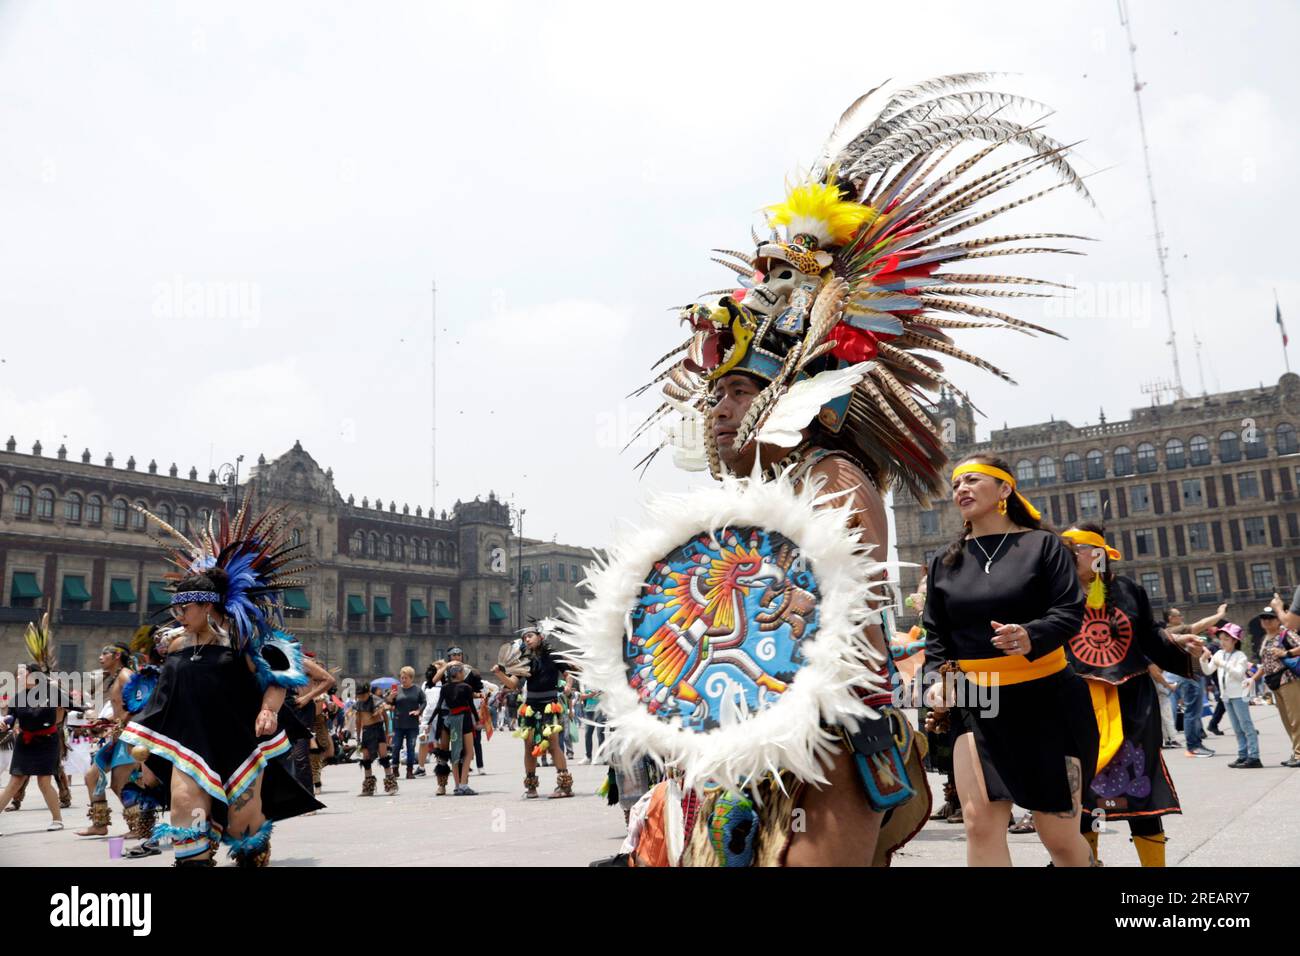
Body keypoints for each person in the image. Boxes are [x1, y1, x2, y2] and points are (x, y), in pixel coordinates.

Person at [119, 498, 323, 866]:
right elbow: (162, 702)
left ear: (209, 606)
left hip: (242, 743)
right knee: (184, 809)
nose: (178, 615)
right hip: (190, 744)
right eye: (176, 608)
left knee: (244, 825)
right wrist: (147, 751)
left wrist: (268, 710)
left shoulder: (245, 640)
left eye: (186, 608)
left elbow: (278, 676)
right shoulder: (176, 647)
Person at [922, 455, 1095, 867]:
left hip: (1047, 700)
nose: (960, 488)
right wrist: (935, 679)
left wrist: (1029, 634)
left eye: (972, 480)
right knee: (979, 824)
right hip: (976, 703)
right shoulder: (945, 562)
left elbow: (1069, 612)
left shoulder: (1043, 546)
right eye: (956, 483)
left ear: (1004, 490)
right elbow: (936, 636)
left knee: (1058, 836)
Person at [1059, 523, 1201, 867]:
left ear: (1097, 554)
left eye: (1073, 548)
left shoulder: (1128, 591)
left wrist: (1180, 644)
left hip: (1133, 703)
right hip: (1078, 703)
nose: (1065, 555)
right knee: (1083, 797)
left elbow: (1150, 636)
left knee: (1143, 790)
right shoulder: (1054, 595)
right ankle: (1088, 864)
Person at [492, 624, 575, 798]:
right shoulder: (524, 659)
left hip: (549, 704)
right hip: (530, 706)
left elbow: (567, 674)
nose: (527, 639)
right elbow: (513, 684)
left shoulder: (553, 655)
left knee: (553, 745)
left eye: (530, 636)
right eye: (524, 638)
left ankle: (565, 786)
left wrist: (568, 686)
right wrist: (499, 674)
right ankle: (531, 786)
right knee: (529, 745)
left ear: (540, 637)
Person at [0, 619, 67, 836]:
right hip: (25, 742)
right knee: (14, 782)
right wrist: (3, 722)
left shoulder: (50, 693)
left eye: (21, 673)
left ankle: (57, 819)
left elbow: (61, 714)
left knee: (44, 782)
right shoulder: (17, 697)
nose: (18, 675)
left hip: (47, 742)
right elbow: (10, 718)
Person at [1164, 605, 1226, 757]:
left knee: (1194, 712)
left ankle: (1196, 744)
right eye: (1178, 615)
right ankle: (1193, 746)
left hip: (1190, 675)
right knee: (1192, 712)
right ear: (1171, 619)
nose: (1181, 618)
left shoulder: (1171, 633)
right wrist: (1219, 614)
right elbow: (1202, 624)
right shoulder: (1175, 631)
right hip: (1188, 676)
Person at [1200, 623, 1260, 768]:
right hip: (1226, 696)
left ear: (1235, 640)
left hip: (1239, 695)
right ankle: (1242, 755)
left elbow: (1239, 674)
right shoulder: (1219, 654)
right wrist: (1203, 659)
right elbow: (1208, 671)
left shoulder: (1240, 656)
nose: (1222, 642)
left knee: (1246, 726)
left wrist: (1222, 664)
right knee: (1236, 727)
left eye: (1226, 638)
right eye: (1221, 638)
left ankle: (1254, 757)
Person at [1258, 597, 1300, 766]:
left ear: (1277, 619)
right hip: (1274, 682)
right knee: (1285, 719)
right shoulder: (1266, 638)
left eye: (1270, 618)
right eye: (1264, 619)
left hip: (1288, 679)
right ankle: (1296, 751)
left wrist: (1285, 654)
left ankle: (1299, 754)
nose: (1267, 621)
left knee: (1296, 718)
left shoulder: (1285, 633)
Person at [428, 661, 478, 795]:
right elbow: (471, 706)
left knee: (452, 755)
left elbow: (438, 707)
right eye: (462, 671)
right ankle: (461, 785)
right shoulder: (466, 687)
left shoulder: (444, 687)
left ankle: (457, 785)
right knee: (467, 753)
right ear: (457, 673)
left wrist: (428, 722)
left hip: (448, 720)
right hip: (463, 720)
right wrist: (478, 720)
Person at [353, 683, 394, 796]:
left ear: (368, 693)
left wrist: (386, 733)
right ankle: (368, 787)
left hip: (378, 729)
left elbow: (385, 717)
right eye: (359, 696)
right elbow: (358, 720)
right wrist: (357, 736)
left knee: (383, 756)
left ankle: (391, 785)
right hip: (366, 731)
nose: (361, 698)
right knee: (366, 758)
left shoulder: (377, 701)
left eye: (363, 696)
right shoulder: (359, 704)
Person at [390, 667, 426, 780]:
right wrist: (390, 697)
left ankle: (409, 771)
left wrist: (418, 711)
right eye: (401, 678)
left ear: (411, 678)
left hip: (412, 724)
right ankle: (395, 769)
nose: (403, 680)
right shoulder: (397, 690)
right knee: (395, 747)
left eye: (405, 678)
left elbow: (424, 702)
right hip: (398, 723)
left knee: (411, 747)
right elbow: (389, 703)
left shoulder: (417, 690)